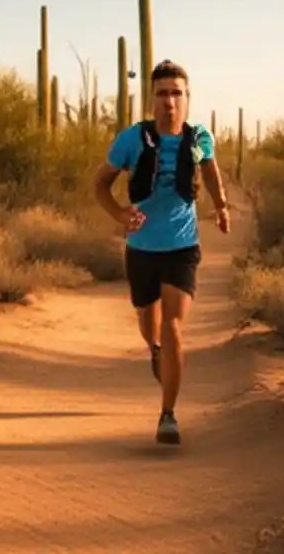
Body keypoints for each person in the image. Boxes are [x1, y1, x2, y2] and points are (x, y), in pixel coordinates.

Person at [91, 59, 230, 445]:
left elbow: (211, 172)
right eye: (163, 93)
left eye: (177, 93)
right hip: (141, 248)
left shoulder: (200, 137)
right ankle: (154, 350)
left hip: (182, 247)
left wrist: (221, 206)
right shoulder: (131, 140)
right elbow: (100, 184)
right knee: (148, 324)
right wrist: (119, 213)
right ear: (151, 99)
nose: (170, 101)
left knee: (173, 326)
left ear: (187, 98)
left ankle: (168, 415)